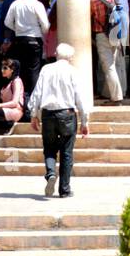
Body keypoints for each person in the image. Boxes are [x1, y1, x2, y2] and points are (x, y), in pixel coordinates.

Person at [28, 42, 89, 198]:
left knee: (49, 148)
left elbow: (37, 93)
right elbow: (80, 98)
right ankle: (64, 189)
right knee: (67, 152)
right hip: (67, 114)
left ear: (56, 54)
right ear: (71, 57)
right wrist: (84, 121)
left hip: (48, 114)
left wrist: (33, 114)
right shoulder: (73, 72)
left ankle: (50, 174)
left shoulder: (46, 70)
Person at [3, 0, 49, 115]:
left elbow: (7, 22)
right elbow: (45, 25)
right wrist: (39, 31)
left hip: (19, 40)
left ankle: (21, 101)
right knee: (34, 71)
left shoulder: (16, 4)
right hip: (34, 40)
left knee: (21, 71)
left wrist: (18, 29)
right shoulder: (37, 4)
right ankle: (33, 104)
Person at [89, 0, 124, 105]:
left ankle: (117, 97)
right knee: (113, 65)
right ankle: (112, 94)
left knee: (108, 66)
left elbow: (90, 16)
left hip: (102, 34)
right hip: (115, 33)